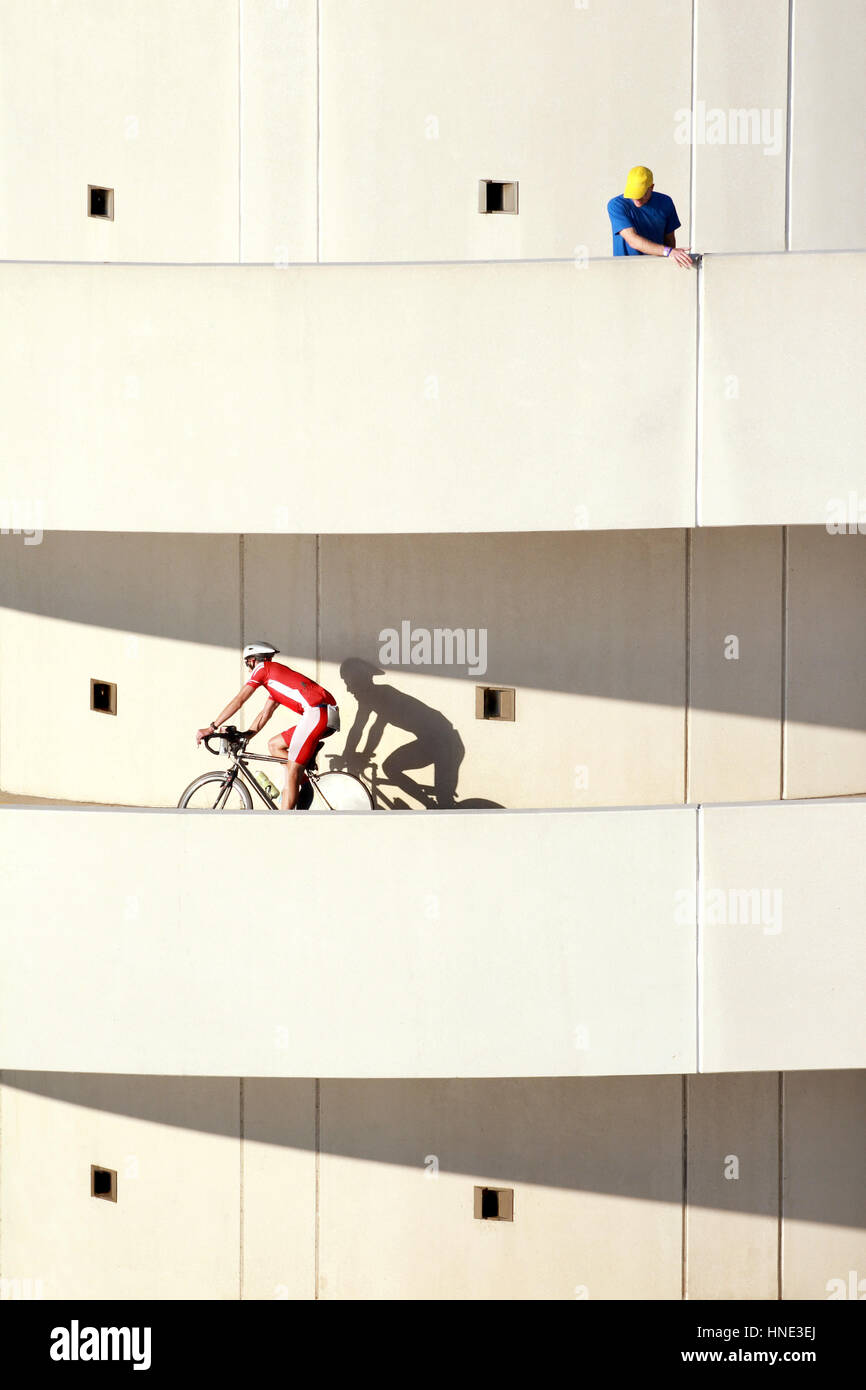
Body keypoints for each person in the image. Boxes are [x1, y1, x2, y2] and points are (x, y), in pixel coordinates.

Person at [196, 642, 339, 810]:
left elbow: (239, 700)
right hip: (322, 714)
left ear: (254, 660)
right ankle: (305, 784)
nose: (249, 669)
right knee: (274, 745)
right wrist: (247, 736)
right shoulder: (274, 679)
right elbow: (265, 714)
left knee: (291, 773)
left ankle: (285, 823)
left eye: (248, 663)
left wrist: (211, 727)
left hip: (317, 713)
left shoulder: (263, 668)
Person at [607, 165, 694, 267]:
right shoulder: (616, 205)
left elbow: (670, 239)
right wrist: (668, 251)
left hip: (655, 269)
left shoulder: (665, 202)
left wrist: (669, 263)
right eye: (633, 194)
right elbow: (632, 240)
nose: (637, 199)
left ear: (651, 187)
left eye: (641, 194)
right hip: (625, 271)